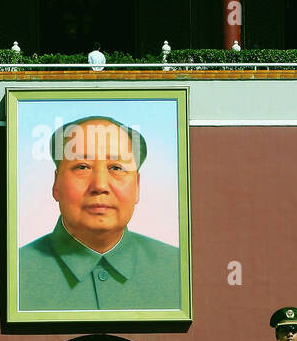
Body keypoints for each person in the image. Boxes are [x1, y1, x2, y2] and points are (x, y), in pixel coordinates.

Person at [18, 116, 180, 311]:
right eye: (82, 167)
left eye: (116, 168)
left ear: (137, 186)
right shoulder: (16, 272)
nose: (100, 185)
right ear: (56, 184)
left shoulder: (178, 269)